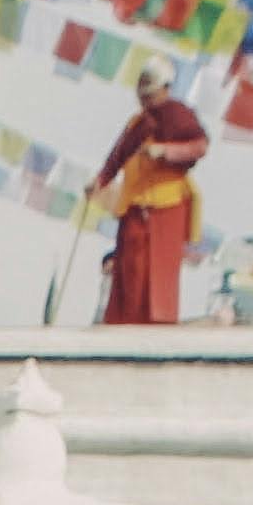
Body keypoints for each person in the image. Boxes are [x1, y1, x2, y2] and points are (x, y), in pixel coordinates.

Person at [92, 56, 208, 329]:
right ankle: (125, 321)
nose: (145, 100)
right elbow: (118, 155)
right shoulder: (139, 123)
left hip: (167, 208)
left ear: (165, 89)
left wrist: (166, 151)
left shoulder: (180, 115)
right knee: (130, 271)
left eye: (151, 94)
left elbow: (199, 146)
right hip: (136, 206)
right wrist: (99, 181)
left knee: (159, 274)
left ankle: (159, 323)